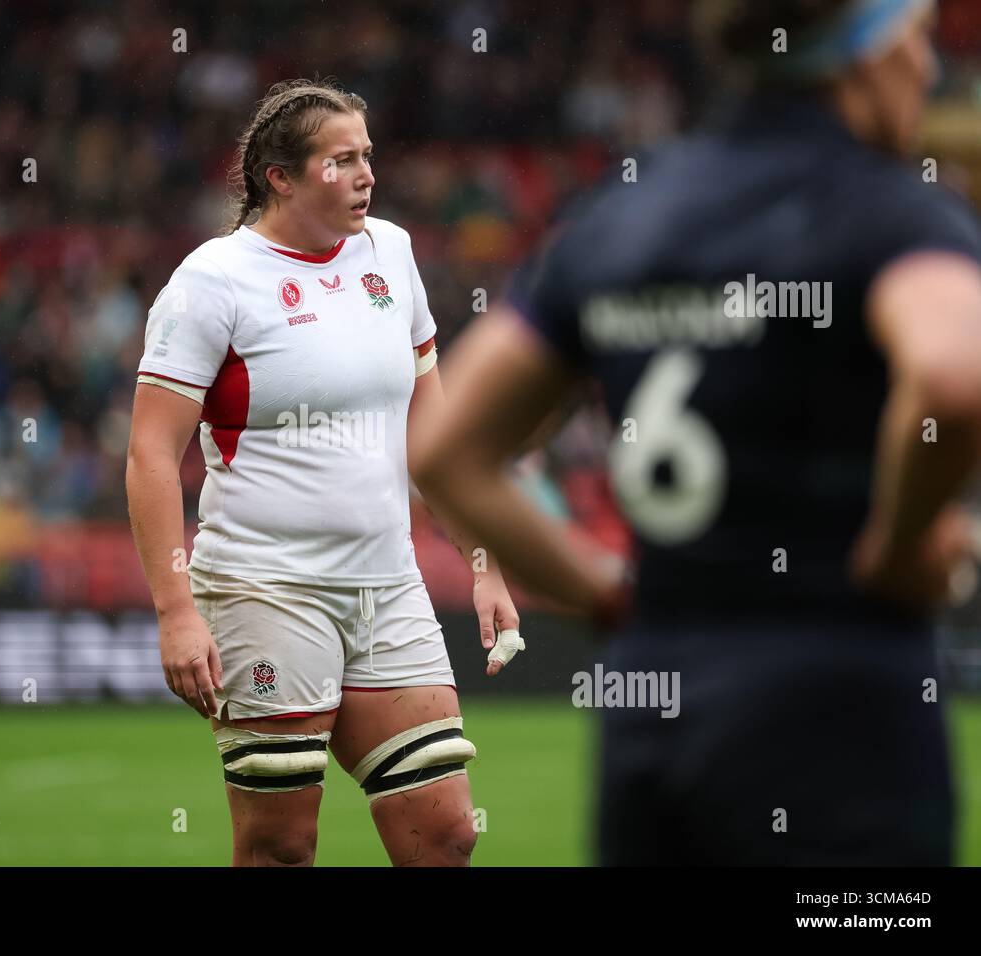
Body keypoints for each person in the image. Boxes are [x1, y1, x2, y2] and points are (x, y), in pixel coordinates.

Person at [411, 0, 981, 864]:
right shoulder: (887, 210)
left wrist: (602, 590)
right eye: (920, 37)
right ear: (870, 49)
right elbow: (952, 376)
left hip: (657, 709)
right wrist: (900, 547)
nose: (929, 67)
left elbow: (448, 454)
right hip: (842, 701)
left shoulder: (622, 216)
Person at [126, 79, 522, 866]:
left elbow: (431, 433)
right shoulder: (213, 282)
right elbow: (148, 454)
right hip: (265, 587)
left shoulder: (392, 251)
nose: (368, 174)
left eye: (368, 156)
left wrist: (484, 563)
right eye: (342, 161)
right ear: (281, 176)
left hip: (387, 587)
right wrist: (175, 611)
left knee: (445, 835)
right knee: (280, 847)